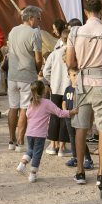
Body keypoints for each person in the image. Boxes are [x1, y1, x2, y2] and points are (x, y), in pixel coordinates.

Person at [65, 0, 102, 186]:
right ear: (101, 9)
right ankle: (101, 173)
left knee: (81, 127)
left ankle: (80, 171)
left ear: (85, 11)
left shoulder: (75, 31)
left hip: (82, 82)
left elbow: (70, 62)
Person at [15, 81, 76, 183]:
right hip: (40, 134)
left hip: (30, 132)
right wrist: (71, 112)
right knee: (37, 153)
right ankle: (32, 175)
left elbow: (27, 115)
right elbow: (60, 113)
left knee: (30, 150)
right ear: (44, 90)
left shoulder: (31, 102)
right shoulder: (47, 103)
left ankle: (22, 164)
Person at [6, 6, 43, 152]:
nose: (40, 21)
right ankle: (20, 142)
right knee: (24, 109)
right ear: (31, 18)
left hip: (12, 74)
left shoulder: (13, 30)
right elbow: (38, 57)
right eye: (38, 18)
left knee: (12, 107)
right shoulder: (34, 33)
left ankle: (11, 140)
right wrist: (38, 69)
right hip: (27, 75)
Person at [42, 28, 71, 156]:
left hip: (55, 88)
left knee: (54, 116)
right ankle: (63, 146)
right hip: (69, 89)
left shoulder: (54, 53)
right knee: (65, 115)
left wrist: (51, 81)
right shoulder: (73, 53)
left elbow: (45, 71)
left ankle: (53, 144)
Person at [62, 69, 94, 170]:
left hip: (79, 117)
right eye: (73, 75)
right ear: (69, 76)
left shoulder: (82, 90)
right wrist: (65, 112)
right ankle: (74, 157)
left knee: (80, 138)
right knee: (72, 137)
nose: (75, 77)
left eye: (77, 75)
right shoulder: (68, 89)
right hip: (69, 116)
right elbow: (64, 101)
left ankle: (88, 159)